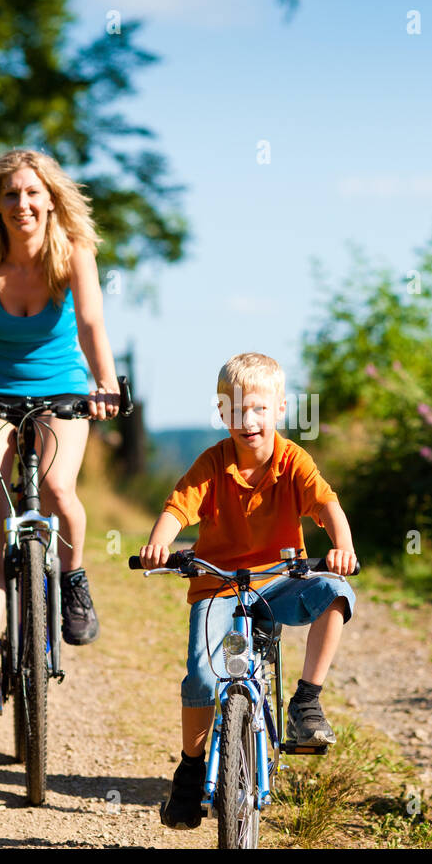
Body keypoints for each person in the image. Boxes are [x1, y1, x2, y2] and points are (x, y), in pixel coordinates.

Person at [0, 148, 122, 717]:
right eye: (11, 194)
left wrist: (106, 383)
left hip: (63, 391)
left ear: (51, 200)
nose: (23, 204)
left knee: (59, 492)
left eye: (33, 193)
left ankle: (74, 579)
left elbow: (90, 324)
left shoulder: (73, 255)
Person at [137, 352, 359, 830]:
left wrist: (342, 546)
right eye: (236, 410)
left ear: (280, 409)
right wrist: (159, 543)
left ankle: (306, 700)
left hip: (279, 582)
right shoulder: (214, 462)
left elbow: (326, 503)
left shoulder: (291, 460)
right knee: (200, 677)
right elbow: (178, 508)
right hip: (217, 586)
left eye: (259, 408)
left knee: (336, 593)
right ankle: (191, 770)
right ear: (222, 414)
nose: (248, 420)